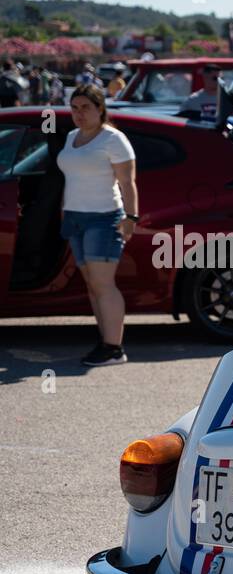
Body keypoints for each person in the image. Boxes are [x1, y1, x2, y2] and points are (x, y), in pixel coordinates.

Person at [57, 85, 139, 366]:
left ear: (100, 109)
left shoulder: (113, 139)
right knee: (92, 285)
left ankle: (114, 348)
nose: (79, 113)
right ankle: (105, 341)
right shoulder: (71, 137)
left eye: (86, 107)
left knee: (104, 284)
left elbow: (128, 183)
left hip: (104, 219)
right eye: (75, 107)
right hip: (75, 218)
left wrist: (131, 218)